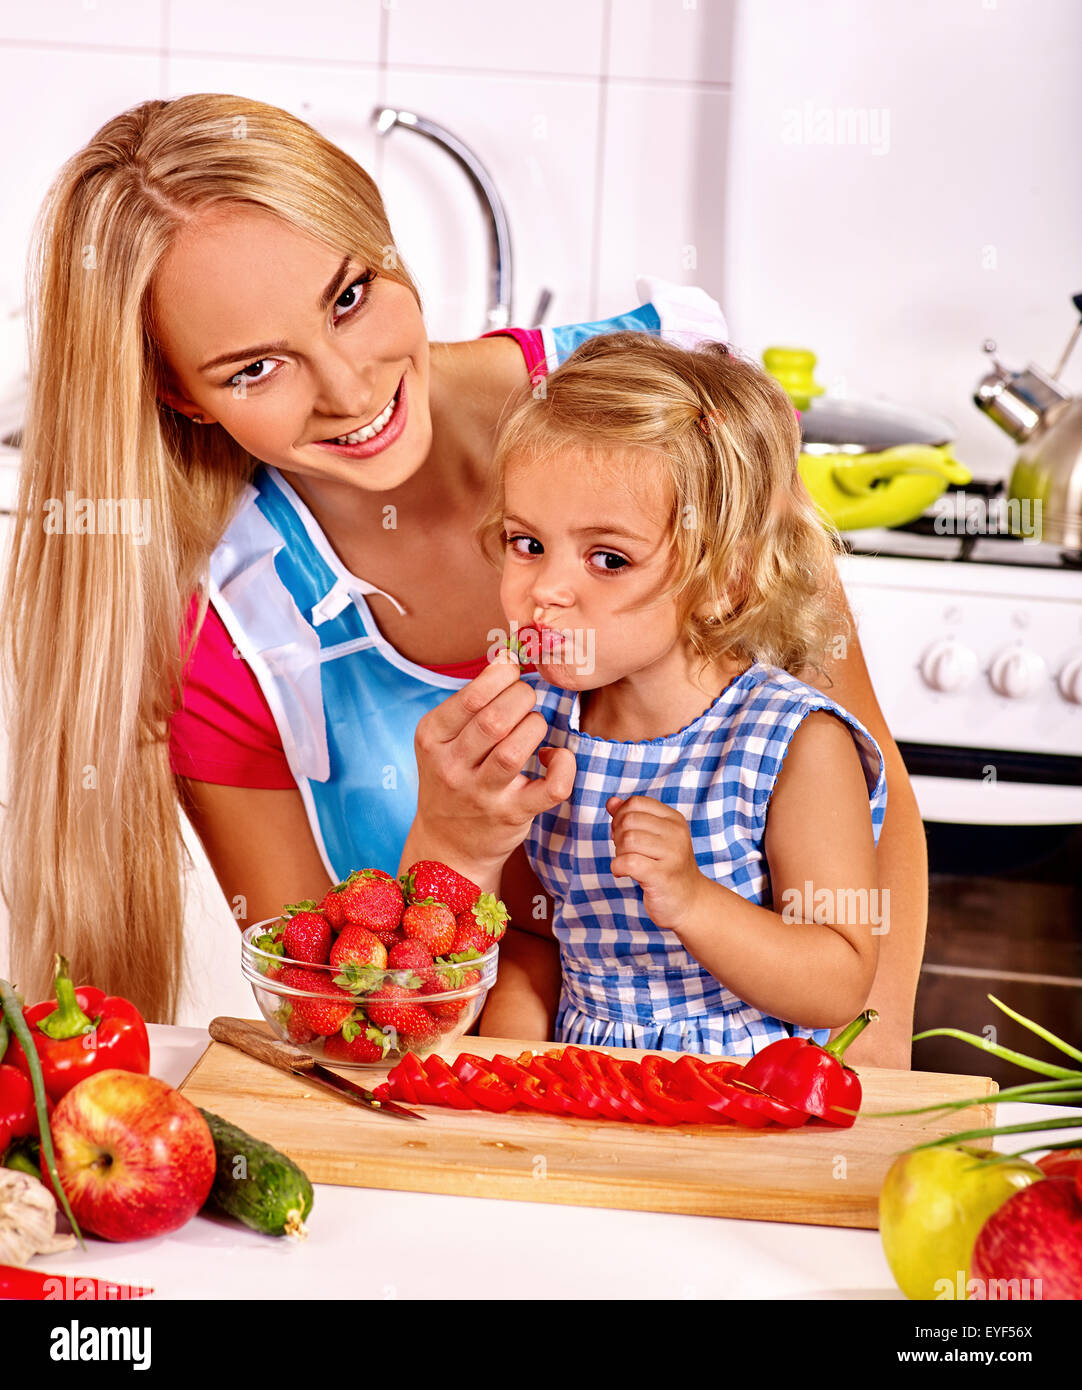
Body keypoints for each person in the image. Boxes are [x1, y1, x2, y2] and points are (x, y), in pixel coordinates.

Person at [0, 94, 926, 1069]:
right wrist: (445, 850)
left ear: (386, 241)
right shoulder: (224, 626)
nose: (351, 390)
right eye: (256, 367)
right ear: (177, 392)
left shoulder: (667, 405)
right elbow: (338, 1031)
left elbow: (873, 811)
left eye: (350, 296)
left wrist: (870, 1096)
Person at [461, 330, 886, 1053]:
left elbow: (839, 979)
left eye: (608, 558)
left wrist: (692, 900)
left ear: (726, 579)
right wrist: (515, 1070)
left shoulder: (795, 743)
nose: (547, 589)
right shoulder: (541, 721)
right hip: (584, 1092)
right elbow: (533, 936)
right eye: (526, 543)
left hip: (744, 1103)